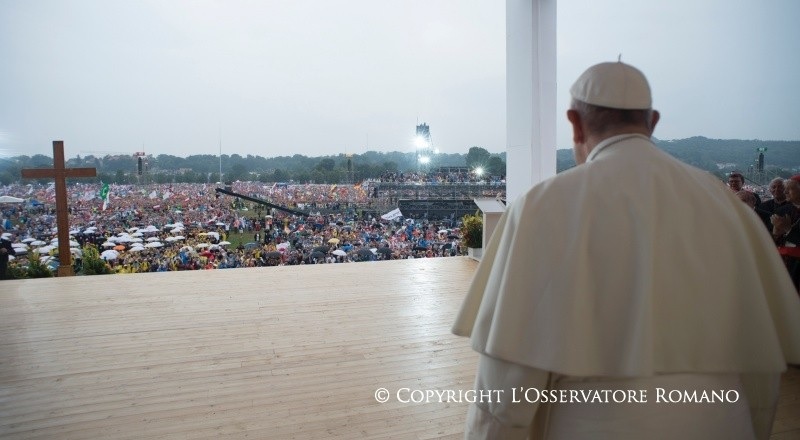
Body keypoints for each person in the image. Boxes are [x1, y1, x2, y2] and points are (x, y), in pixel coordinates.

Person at [452, 61, 800, 439]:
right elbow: (761, 372)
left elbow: (504, 391)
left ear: (575, 122)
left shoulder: (543, 206)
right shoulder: (725, 204)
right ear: (652, 122)